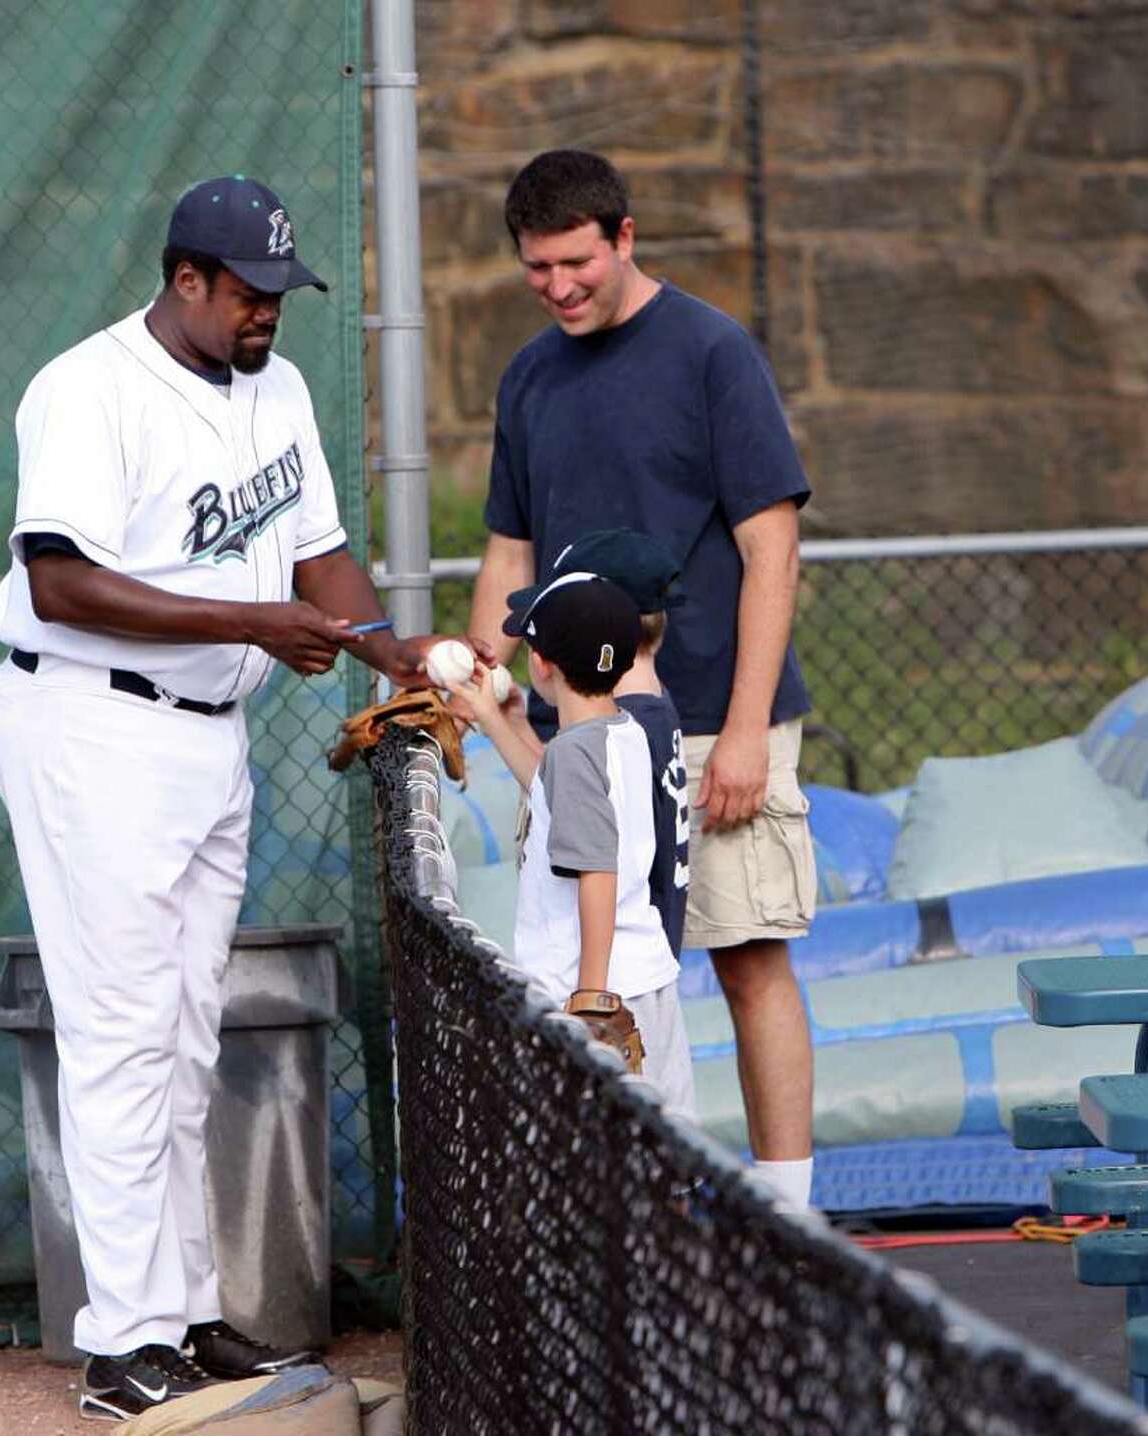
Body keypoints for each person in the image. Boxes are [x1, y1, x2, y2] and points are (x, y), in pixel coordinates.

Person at [0, 175, 466, 1421]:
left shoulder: (277, 388)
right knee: (121, 1031)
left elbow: (315, 551)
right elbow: (60, 585)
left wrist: (392, 651)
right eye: (248, 292)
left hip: (206, 731)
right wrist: (255, 618)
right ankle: (119, 1344)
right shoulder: (85, 390)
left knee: (188, 1029)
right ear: (184, 278)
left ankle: (185, 1311)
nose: (267, 314)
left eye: (280, 294)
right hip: (93, 720)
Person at [468, 149, 818, 1210]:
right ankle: (620, 1223)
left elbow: (773, 547)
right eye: (537, 268)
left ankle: (788, 1220)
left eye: (576, 261)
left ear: (624, 236)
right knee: (593, 977)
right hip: (578, 730)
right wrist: (484, 687)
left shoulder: (713, 352)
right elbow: (507, 556)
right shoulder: (528, 374)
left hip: (713, 717)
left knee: (746, 956)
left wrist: (748, 728)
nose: (559, 285)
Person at [456, 571, 694, 1112]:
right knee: (666, 1153)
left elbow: (597, 873)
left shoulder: (573, 754)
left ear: (541, 664)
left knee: (596, 1164)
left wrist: (590, 999)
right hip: (647, 974)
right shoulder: (626, 728)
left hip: (594, 989)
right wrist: (496, 719)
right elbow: (550, 792)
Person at [493, 527, 690, 959]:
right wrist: (519, 726)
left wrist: (493, 724)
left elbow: (565, 794)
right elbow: (567, 786)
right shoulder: (649, 707)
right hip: (641, 960)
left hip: (611, 970)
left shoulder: (627, 724)